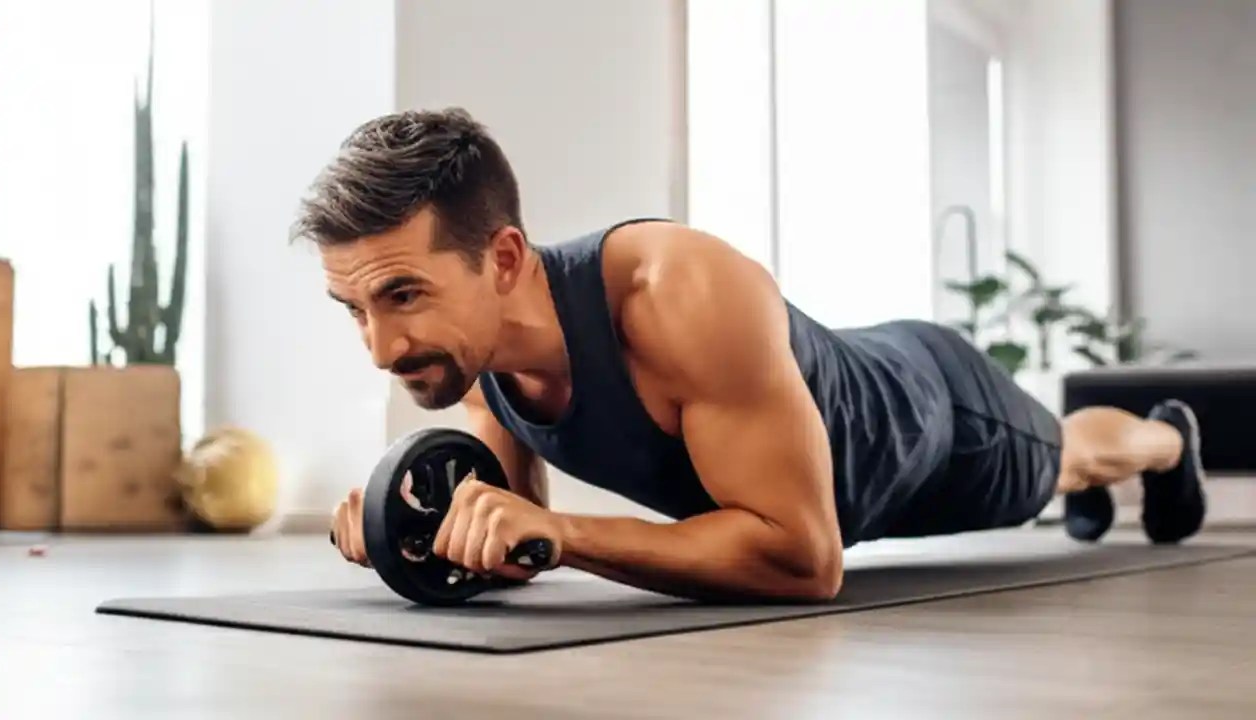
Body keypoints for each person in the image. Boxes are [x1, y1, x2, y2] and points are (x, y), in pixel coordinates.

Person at [298, 108, 1206, 602]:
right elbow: (501, 536)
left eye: (403, 296)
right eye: (356, 311)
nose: (382, 347)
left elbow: (805, 562)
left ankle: (1167, 443)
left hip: (926, 416)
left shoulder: (674, 293)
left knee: (1060, 460)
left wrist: (568, 537)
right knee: (1062, 465)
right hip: (829, 446)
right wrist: (401, 532)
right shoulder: (480, 364)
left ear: (500, 259)